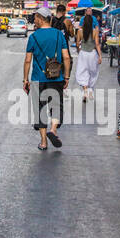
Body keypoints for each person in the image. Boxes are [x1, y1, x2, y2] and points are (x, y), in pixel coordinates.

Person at [23, 8, 71, 151]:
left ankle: (43, 142)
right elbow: (66, 57)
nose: (34, 21)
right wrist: (66, 76)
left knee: (40, 109)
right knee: (56, 106)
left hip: (38, 78)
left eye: (35, 18)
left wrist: (25, 79)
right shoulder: (58, 35)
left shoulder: (33, 37)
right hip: (56, 77)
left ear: (39, 18)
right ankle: (53, 129)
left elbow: (27, 60)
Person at [74, 11, 102, 101]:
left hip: (83, 53)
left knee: (82, 72)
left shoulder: (79, 31)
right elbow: (97, 44)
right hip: (93, 54)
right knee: (92, 73)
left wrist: (79, 51)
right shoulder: (95, 31)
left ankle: (85, 90)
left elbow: (77, 44)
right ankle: (89, 89)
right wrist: (100, 56)